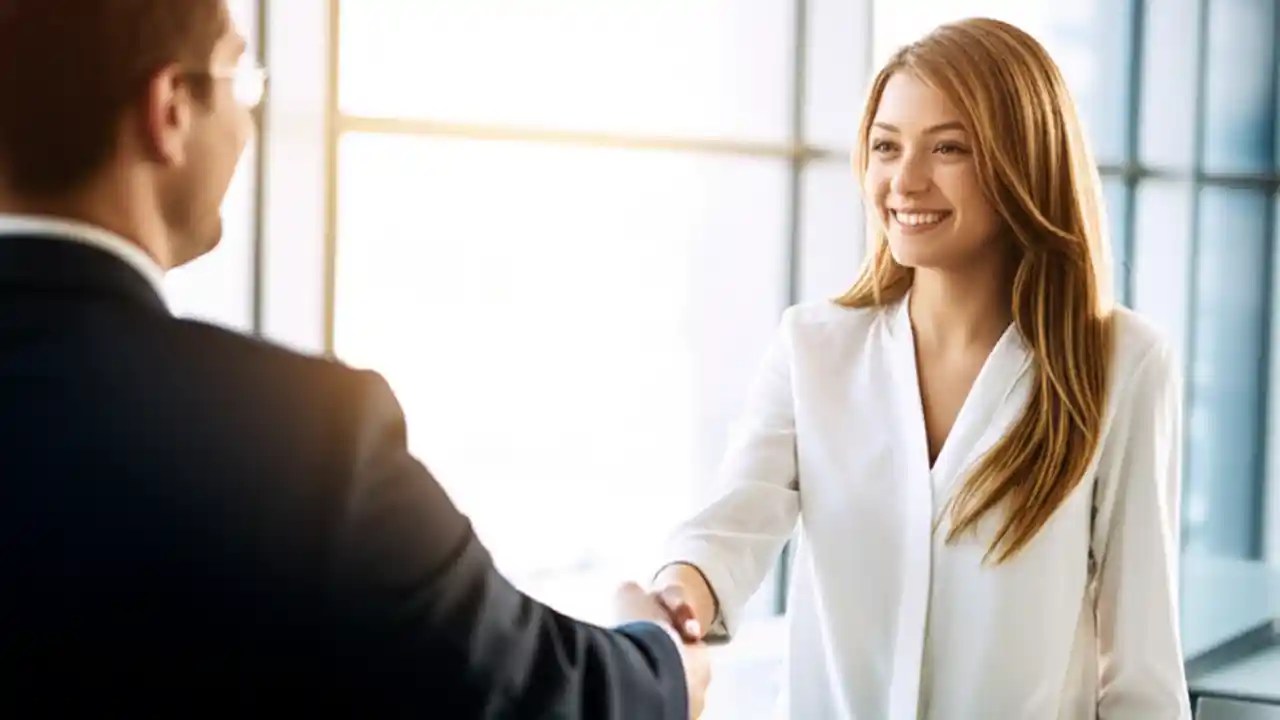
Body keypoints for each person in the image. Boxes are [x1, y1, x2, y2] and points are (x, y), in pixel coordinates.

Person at [0, 1, 707, 717]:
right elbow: (528, 688)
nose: (248, 123)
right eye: (238, 77)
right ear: (171, 107)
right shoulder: (300, 437)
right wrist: (661, 657)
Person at [647, 17, 1190, 719]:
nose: (905, 180)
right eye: (885, 146)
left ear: (1025, 161)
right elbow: (727, 531)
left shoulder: (1124, 365)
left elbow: (1143, 673)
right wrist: (674, 603)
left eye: (949, 148)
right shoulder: (813, 348)